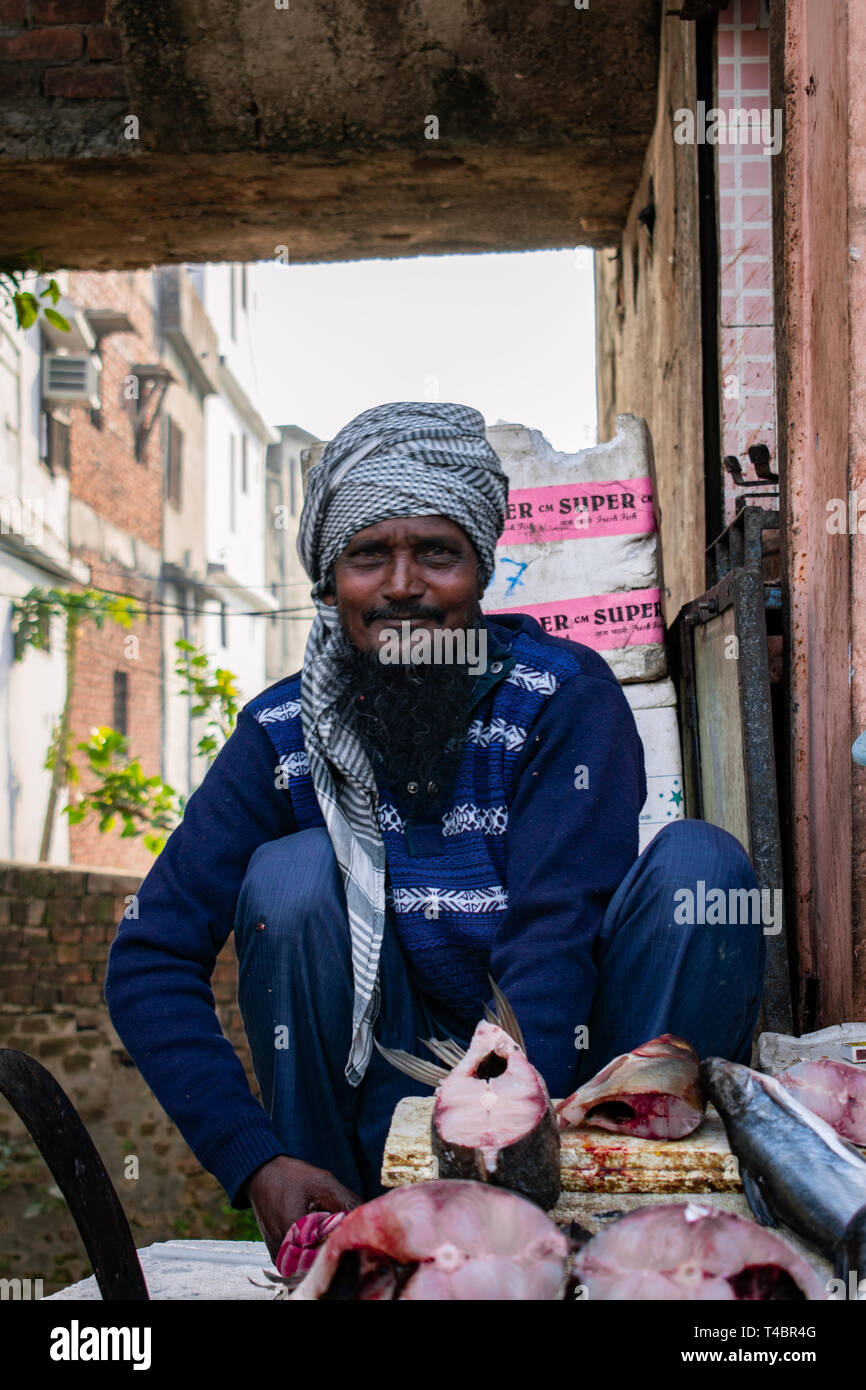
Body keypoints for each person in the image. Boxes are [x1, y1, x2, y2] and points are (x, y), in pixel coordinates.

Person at [105, 401, 765, 1260]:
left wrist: (503, 1156)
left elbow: (552, 936)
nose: (404, 585)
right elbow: (149, 954)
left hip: (568, 1091)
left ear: (481, 569)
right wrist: (257, 1161)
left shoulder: (562, 699)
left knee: (700, 872)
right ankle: (347, 1244)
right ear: (330, 576)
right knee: (291, 880)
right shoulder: (282, 734)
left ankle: (629, 1243)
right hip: (379, 1112)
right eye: (369, 555)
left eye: (437, 554)